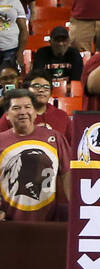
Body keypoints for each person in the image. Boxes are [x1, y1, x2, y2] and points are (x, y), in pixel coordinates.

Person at [0, 88, 69, 222]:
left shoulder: (55, 137)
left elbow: (67, 174)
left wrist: (75, 205)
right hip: (9, 221)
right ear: (7, 114)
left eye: (28, 107)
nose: (23, 112)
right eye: (16, 108)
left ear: (35, 112)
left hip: (49, 220)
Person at [0, 71, 70, 138]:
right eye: (36, 86)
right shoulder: (13, 114)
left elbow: (71, 145)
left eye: (46, 87)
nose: (41, 90)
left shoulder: (62, 116)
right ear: (26, 89)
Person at [30, 27, 82, 92]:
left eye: (64, 40)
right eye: (57, 40)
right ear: (50, 41)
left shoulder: (74, 54)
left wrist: (61, 88)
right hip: (45, 91)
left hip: (69, 92)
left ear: (69, 42)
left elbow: (76, 82)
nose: (60, 44)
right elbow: (38, 78)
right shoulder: (41, 53)